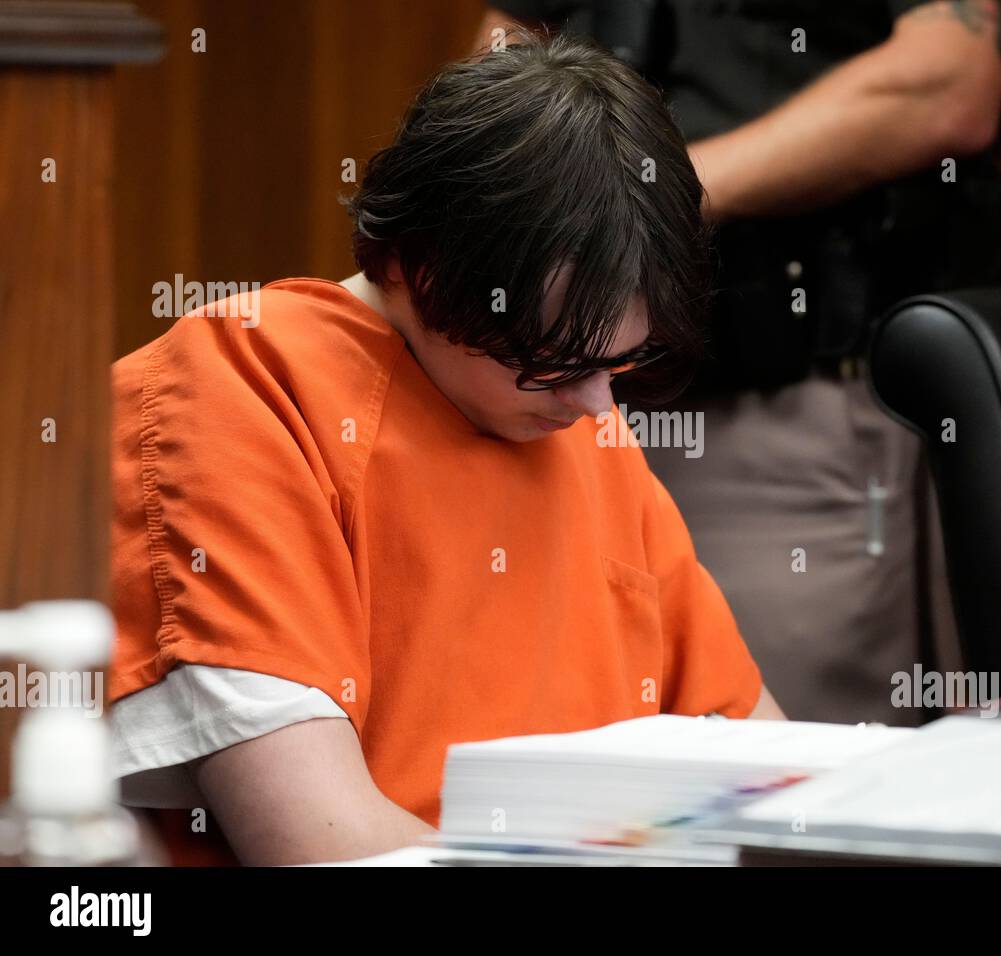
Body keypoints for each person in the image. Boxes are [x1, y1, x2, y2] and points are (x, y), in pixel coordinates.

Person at [107, 32, 783, 867]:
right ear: (420, 269)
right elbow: (325, 847)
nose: (597, 404)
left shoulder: (584, 423)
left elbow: (769, 767)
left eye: (621, 364)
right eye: (551, 363)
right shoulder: (240, 388)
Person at [479, 0, 1001, 725]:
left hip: (795, 409)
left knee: (784, 773)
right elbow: (506, 54)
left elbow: (949, 80)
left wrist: (639, 199)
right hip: (556, 391)